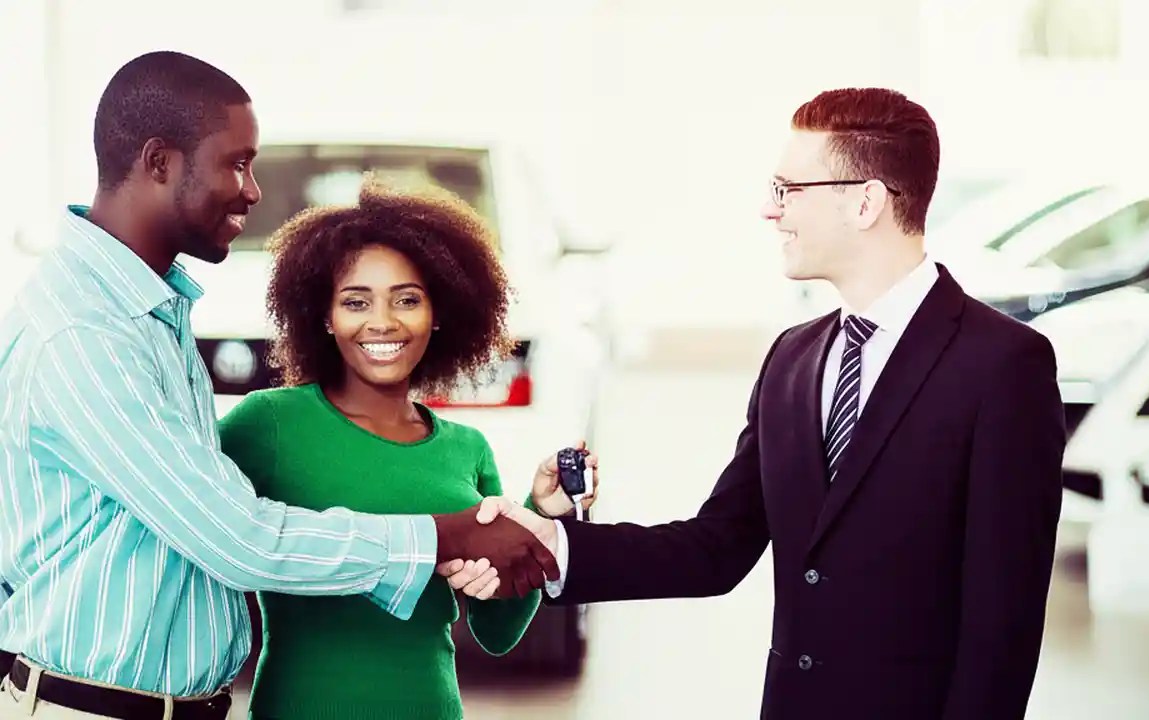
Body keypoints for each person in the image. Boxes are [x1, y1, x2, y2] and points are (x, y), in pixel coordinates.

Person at [0, 51, 555, 719]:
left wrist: (538, 516)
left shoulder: (152, 313)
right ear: (159, 162)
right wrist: (446, 535)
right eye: (236, 163)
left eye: (407, 299)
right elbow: (239, 537)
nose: (253, 191)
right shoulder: (87, 334)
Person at [487, 87, 1067, 719]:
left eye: (790, 189)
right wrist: (553, 543)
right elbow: (716, 548)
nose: (771, 210)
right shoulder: (792, 359)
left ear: (865, 201)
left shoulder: (1004, 366)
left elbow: (1002, 624)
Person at [217, 175, 599, 719]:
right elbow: (198, 534)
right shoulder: (270, 423)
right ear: (324, 316)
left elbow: (498, 633)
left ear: (439, 313)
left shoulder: (467, 449)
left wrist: (542, 512)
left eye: (407, 300)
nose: (383, 322)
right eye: (356, 301)